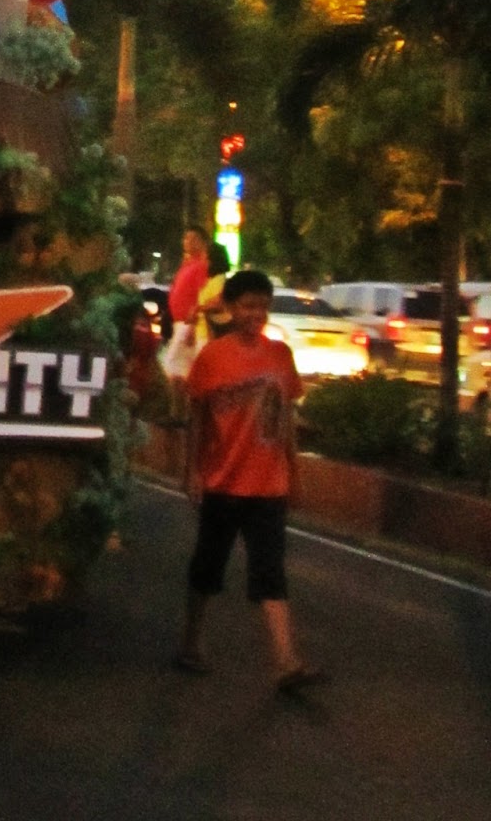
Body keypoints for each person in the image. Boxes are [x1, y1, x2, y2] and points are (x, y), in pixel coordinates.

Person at [176, 268, 326, 694]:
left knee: (270, 572)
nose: (254, 314)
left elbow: (287, 422)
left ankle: (285, 662)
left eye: (261, 306)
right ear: (229, 308)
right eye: (246, 306)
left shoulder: (280, 356)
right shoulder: (212, 358)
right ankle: (190, 643)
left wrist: (294, 472)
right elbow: (198, 419)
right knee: (207, 568)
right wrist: (192, 471)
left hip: (268, 486)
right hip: (222, 482)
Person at [161, 225, 211, 399]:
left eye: (191, 239)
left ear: (202, 242)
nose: (186, 242)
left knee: (172, 366)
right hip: (179, 323)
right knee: (182, 370)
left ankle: (181, 409)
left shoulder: (202, 266)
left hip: (188, 324)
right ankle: (181, 411)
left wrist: (192, 326)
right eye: (185, 238)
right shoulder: (188, 264)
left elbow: (201, 296)